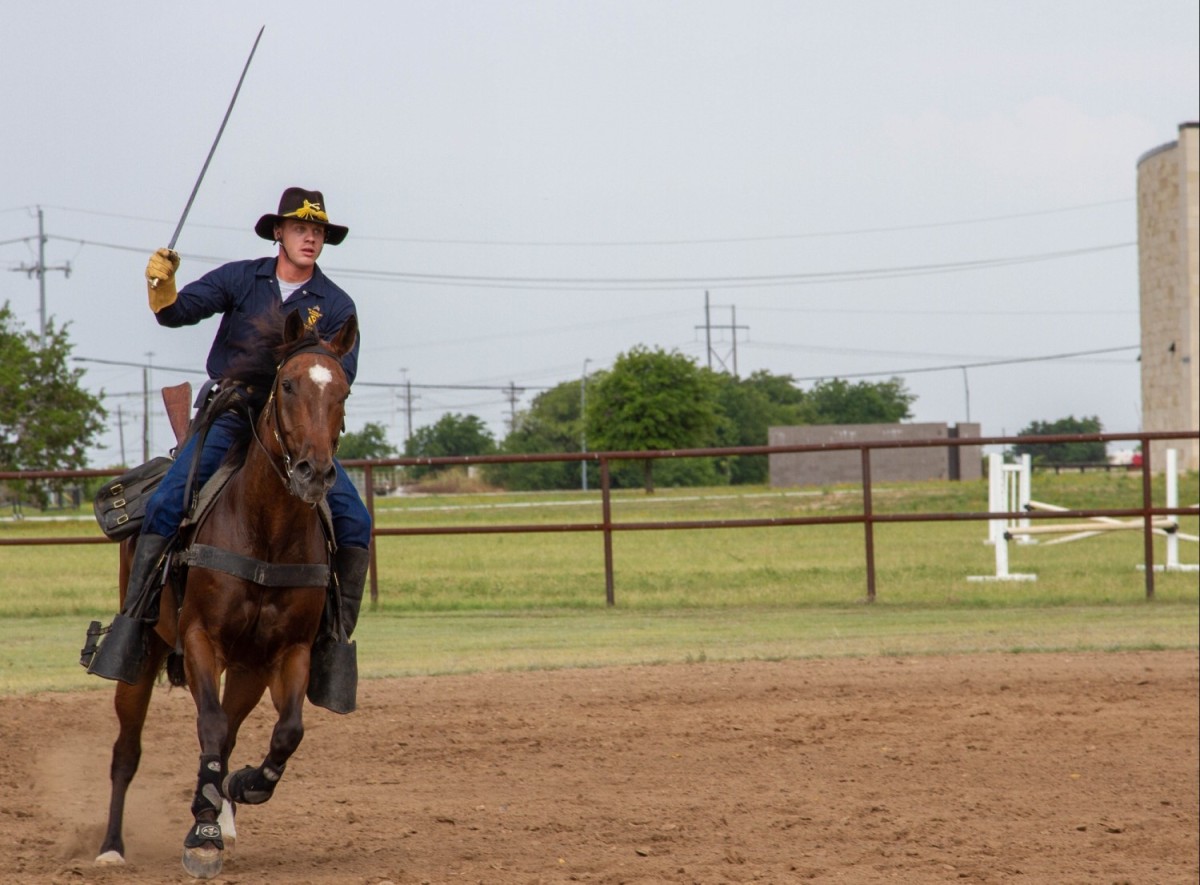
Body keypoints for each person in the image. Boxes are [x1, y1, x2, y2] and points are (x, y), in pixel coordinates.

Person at [84, 187, 372, 703]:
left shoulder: (335, 305)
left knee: (356, 522)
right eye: (301, 229)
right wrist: (162, 286)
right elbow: (176, 313)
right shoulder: (241, 279)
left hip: (298, 432)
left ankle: (332, 642)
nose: (311, 238)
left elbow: (336, 375)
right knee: (170, 500)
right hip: (234, 415)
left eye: (319, 232)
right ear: (278, 233)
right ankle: (133, 626)